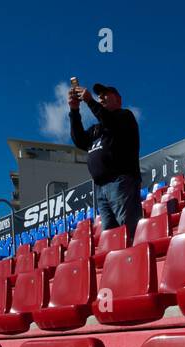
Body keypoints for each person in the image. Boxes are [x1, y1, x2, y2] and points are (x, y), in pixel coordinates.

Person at [69, 83, 142, 239]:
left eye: (105, 93)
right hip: (100, 187)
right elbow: (80, 140)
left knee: (128, 231)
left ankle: (136, 261)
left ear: (118, 100)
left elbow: (110, 121)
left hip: (121, 181)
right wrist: (74, 110)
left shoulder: (124, 116)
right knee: (110, 236)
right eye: (98, 94)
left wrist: (90, 101)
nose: (101, 96)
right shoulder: (97, 128)